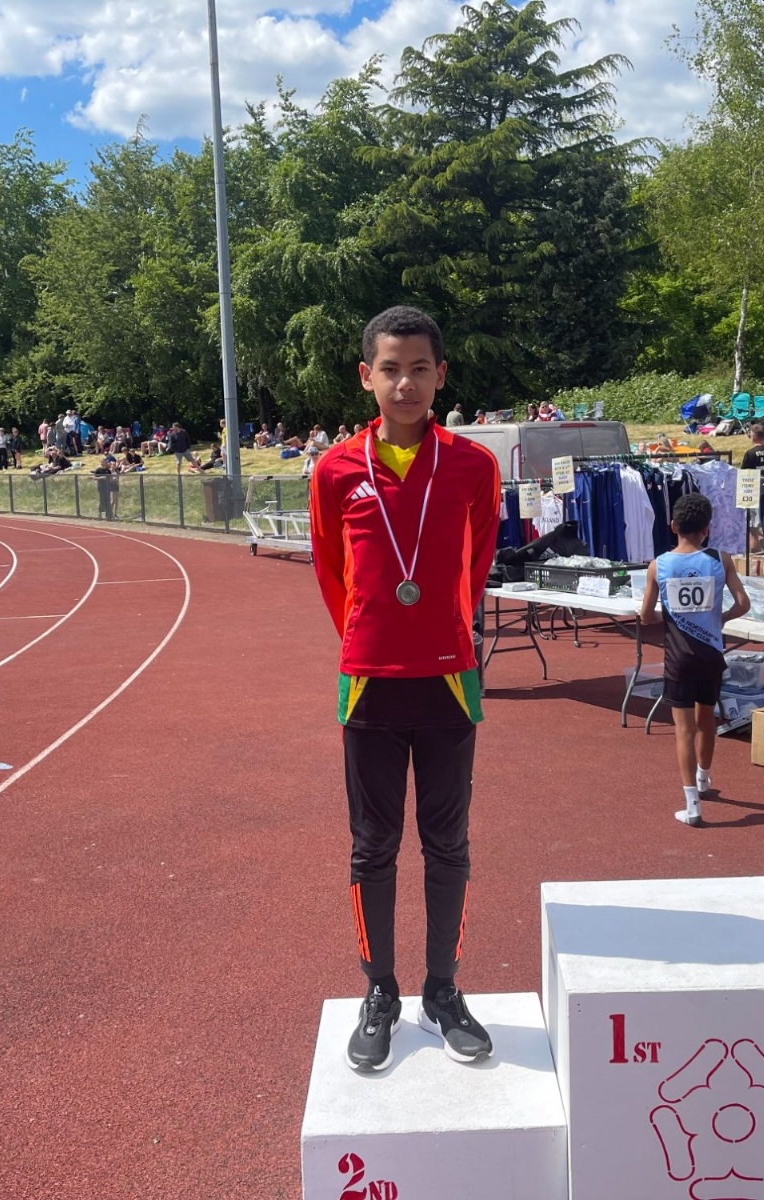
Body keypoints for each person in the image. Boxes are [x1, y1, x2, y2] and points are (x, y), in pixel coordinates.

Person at [309, 305, 501, 1074]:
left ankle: (443, 990)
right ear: (367, 376)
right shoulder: (335, 470)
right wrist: (370, 634)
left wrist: (439, 625)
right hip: (369, 684)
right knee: (373, 845)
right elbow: (332, 571)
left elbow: (476, 566)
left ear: (440, 376)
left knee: (448, 843)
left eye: (420, 368)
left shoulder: (472, 466)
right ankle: (380, 990)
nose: (405, 383)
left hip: (450, 680)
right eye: (390, 369)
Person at [639, 493, 750, 828]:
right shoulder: (720, 559)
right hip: (710, 655)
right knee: (707, 722)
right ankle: (704, 779)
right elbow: (743, 603)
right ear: (707, 528)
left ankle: (692, 806)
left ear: (673, 526)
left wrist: (669, 616)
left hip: (679, 658)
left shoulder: (659, 565)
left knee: (684, 731)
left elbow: (646, 615)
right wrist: (720, 618)